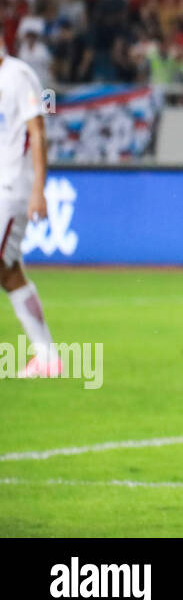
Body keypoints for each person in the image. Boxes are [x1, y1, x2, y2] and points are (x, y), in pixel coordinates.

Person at [0, 48, 57, 377]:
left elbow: (38, 131)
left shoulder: (18, 75)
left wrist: (38, 189)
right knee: (8, 274)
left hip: (11, 188)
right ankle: (47, 358)